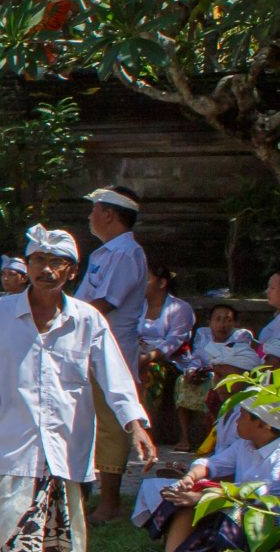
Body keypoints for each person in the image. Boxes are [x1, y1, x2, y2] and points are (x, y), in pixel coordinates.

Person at [0, 226, 155, 552]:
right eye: (38, 262)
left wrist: (135, 424)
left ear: (70, 271)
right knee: (12, 535)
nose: (46, 270)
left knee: (57, 541)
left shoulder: (87, 319)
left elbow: (114, 376)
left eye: (57, 264)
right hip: (14, 446)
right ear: (26, 266)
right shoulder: (0, 313)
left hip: (67, 450)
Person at [131, 395, 280, 552]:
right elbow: (212, 464)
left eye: (243, 416)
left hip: (264, 520)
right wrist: (191, 478)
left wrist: (204, 497)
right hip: (232, 502)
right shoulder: (244, 445)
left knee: (235, 513)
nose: (237, 420)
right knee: (183, 498)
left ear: (263, 425)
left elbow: (259, 493)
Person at [76, 187, 149, 523]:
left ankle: (110, 502)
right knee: (89, 421)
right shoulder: (107, 253)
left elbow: (103, 304)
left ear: (108, 213)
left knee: (110, 425)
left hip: (113, 349)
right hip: (89, 346)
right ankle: (89, 493)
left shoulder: (125, 254)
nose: (90, 215)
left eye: (95, 209)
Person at [176, 303, 263, 447]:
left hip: (212, 378)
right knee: (183, 380)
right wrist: (193, 371)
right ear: (210, 322)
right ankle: (184, 437)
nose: (222, 324)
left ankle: (209, 439)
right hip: (203, 374)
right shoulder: (203, 335)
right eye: (218, 319)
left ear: (235, 323)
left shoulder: (241, 339)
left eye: (228, 320)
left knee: (213, 382)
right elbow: (196, 358)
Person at [134, 267, 196, 437]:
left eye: (146, 279)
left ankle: (147, 431)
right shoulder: (136, 306)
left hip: (170, 362)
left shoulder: (181, 308)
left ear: (162, 283)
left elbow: (173, 342)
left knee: (152, 372)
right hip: (137, 354)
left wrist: (147, 357)